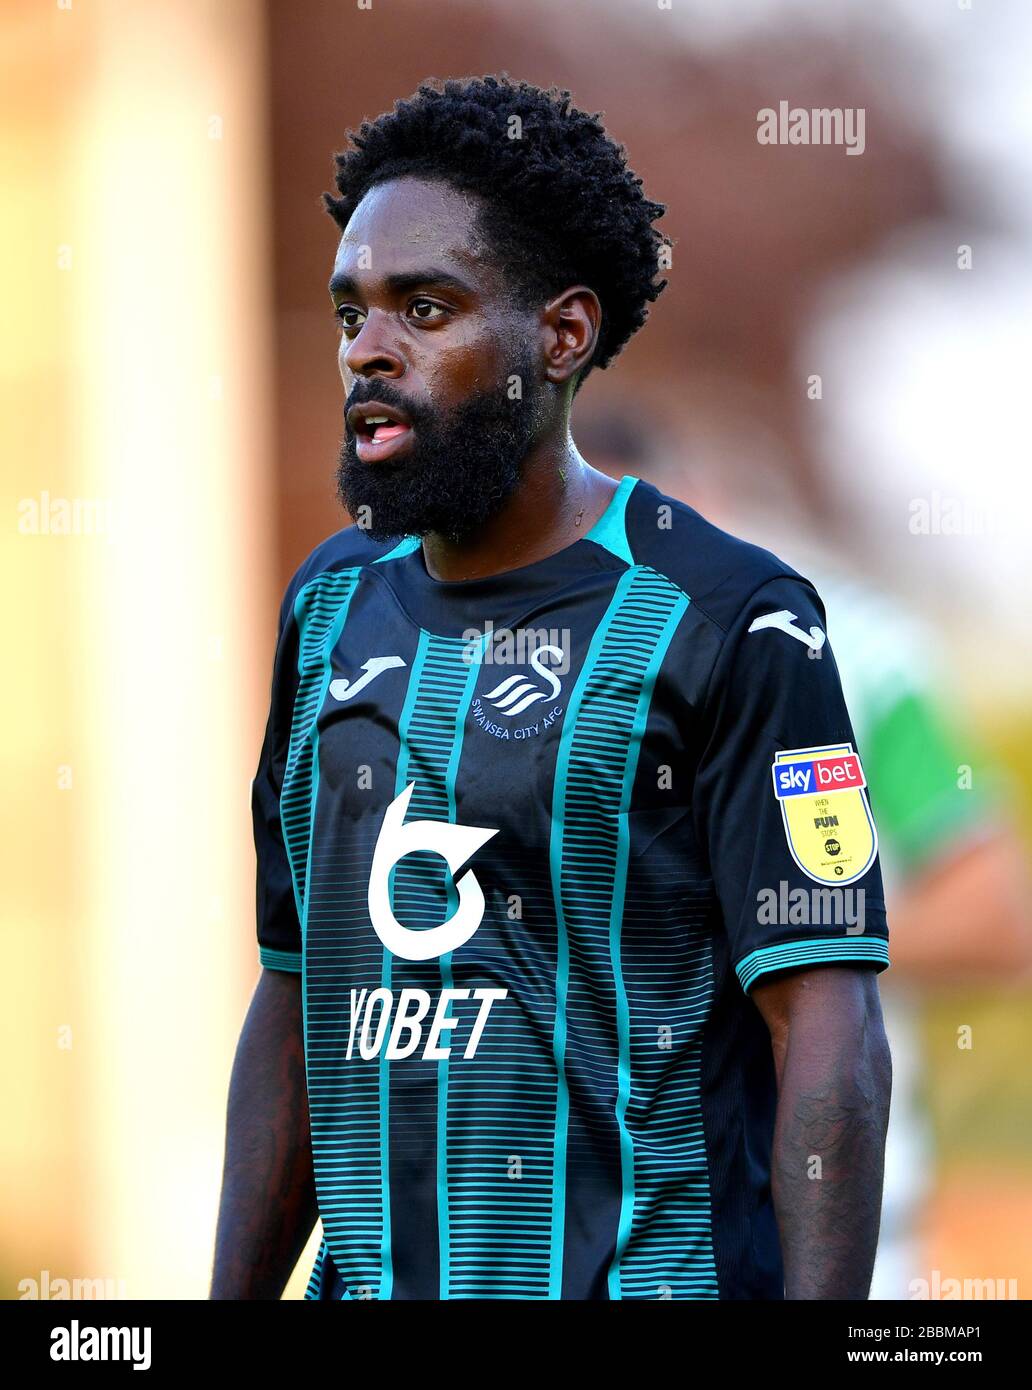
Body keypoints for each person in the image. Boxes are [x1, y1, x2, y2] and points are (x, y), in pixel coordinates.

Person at [210, 75, 892, 1301]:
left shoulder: (736, 614)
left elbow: (826, 1027)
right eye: (350, 312)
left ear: (561, 337)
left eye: (425, 308)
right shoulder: (327, 607)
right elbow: (294, 989)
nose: (369, 348)